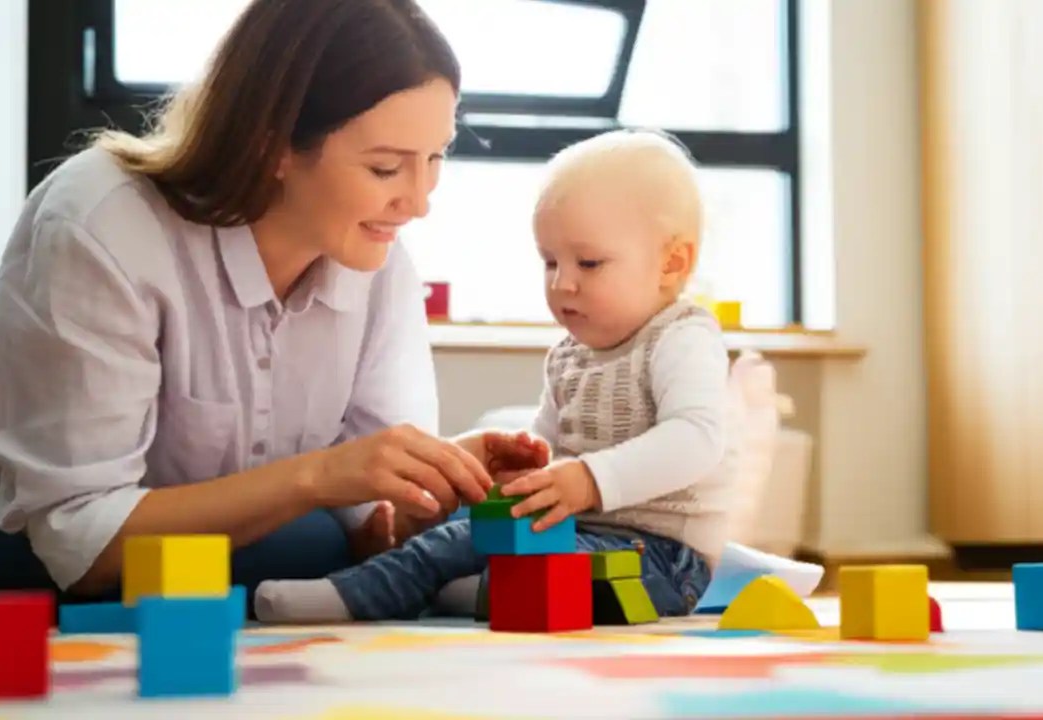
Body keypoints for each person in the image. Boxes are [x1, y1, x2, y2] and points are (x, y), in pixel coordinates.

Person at [0, 0, 501, 611]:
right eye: (385, 168)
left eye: (436, 159)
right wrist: (318, 480)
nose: (420, 202)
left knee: (330, 550)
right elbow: (78, 540)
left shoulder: (376, 258)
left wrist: (438, 492)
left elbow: (366, 521)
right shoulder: (102, 223)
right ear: (274, 144)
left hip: (240, 535)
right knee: (305, 548)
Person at [253, 129, 734, 623]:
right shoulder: (570, 354)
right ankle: (430, 589)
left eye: (589, 263)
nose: (563, 283)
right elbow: (553, 455)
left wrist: (589, 481)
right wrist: (524, 472)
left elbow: (696, 438)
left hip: (663, 559)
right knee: (466, 529)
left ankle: (356, 596)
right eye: (550, 262)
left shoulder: (682, 337)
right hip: (576, 535)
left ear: (672, 264)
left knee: (464, 547)